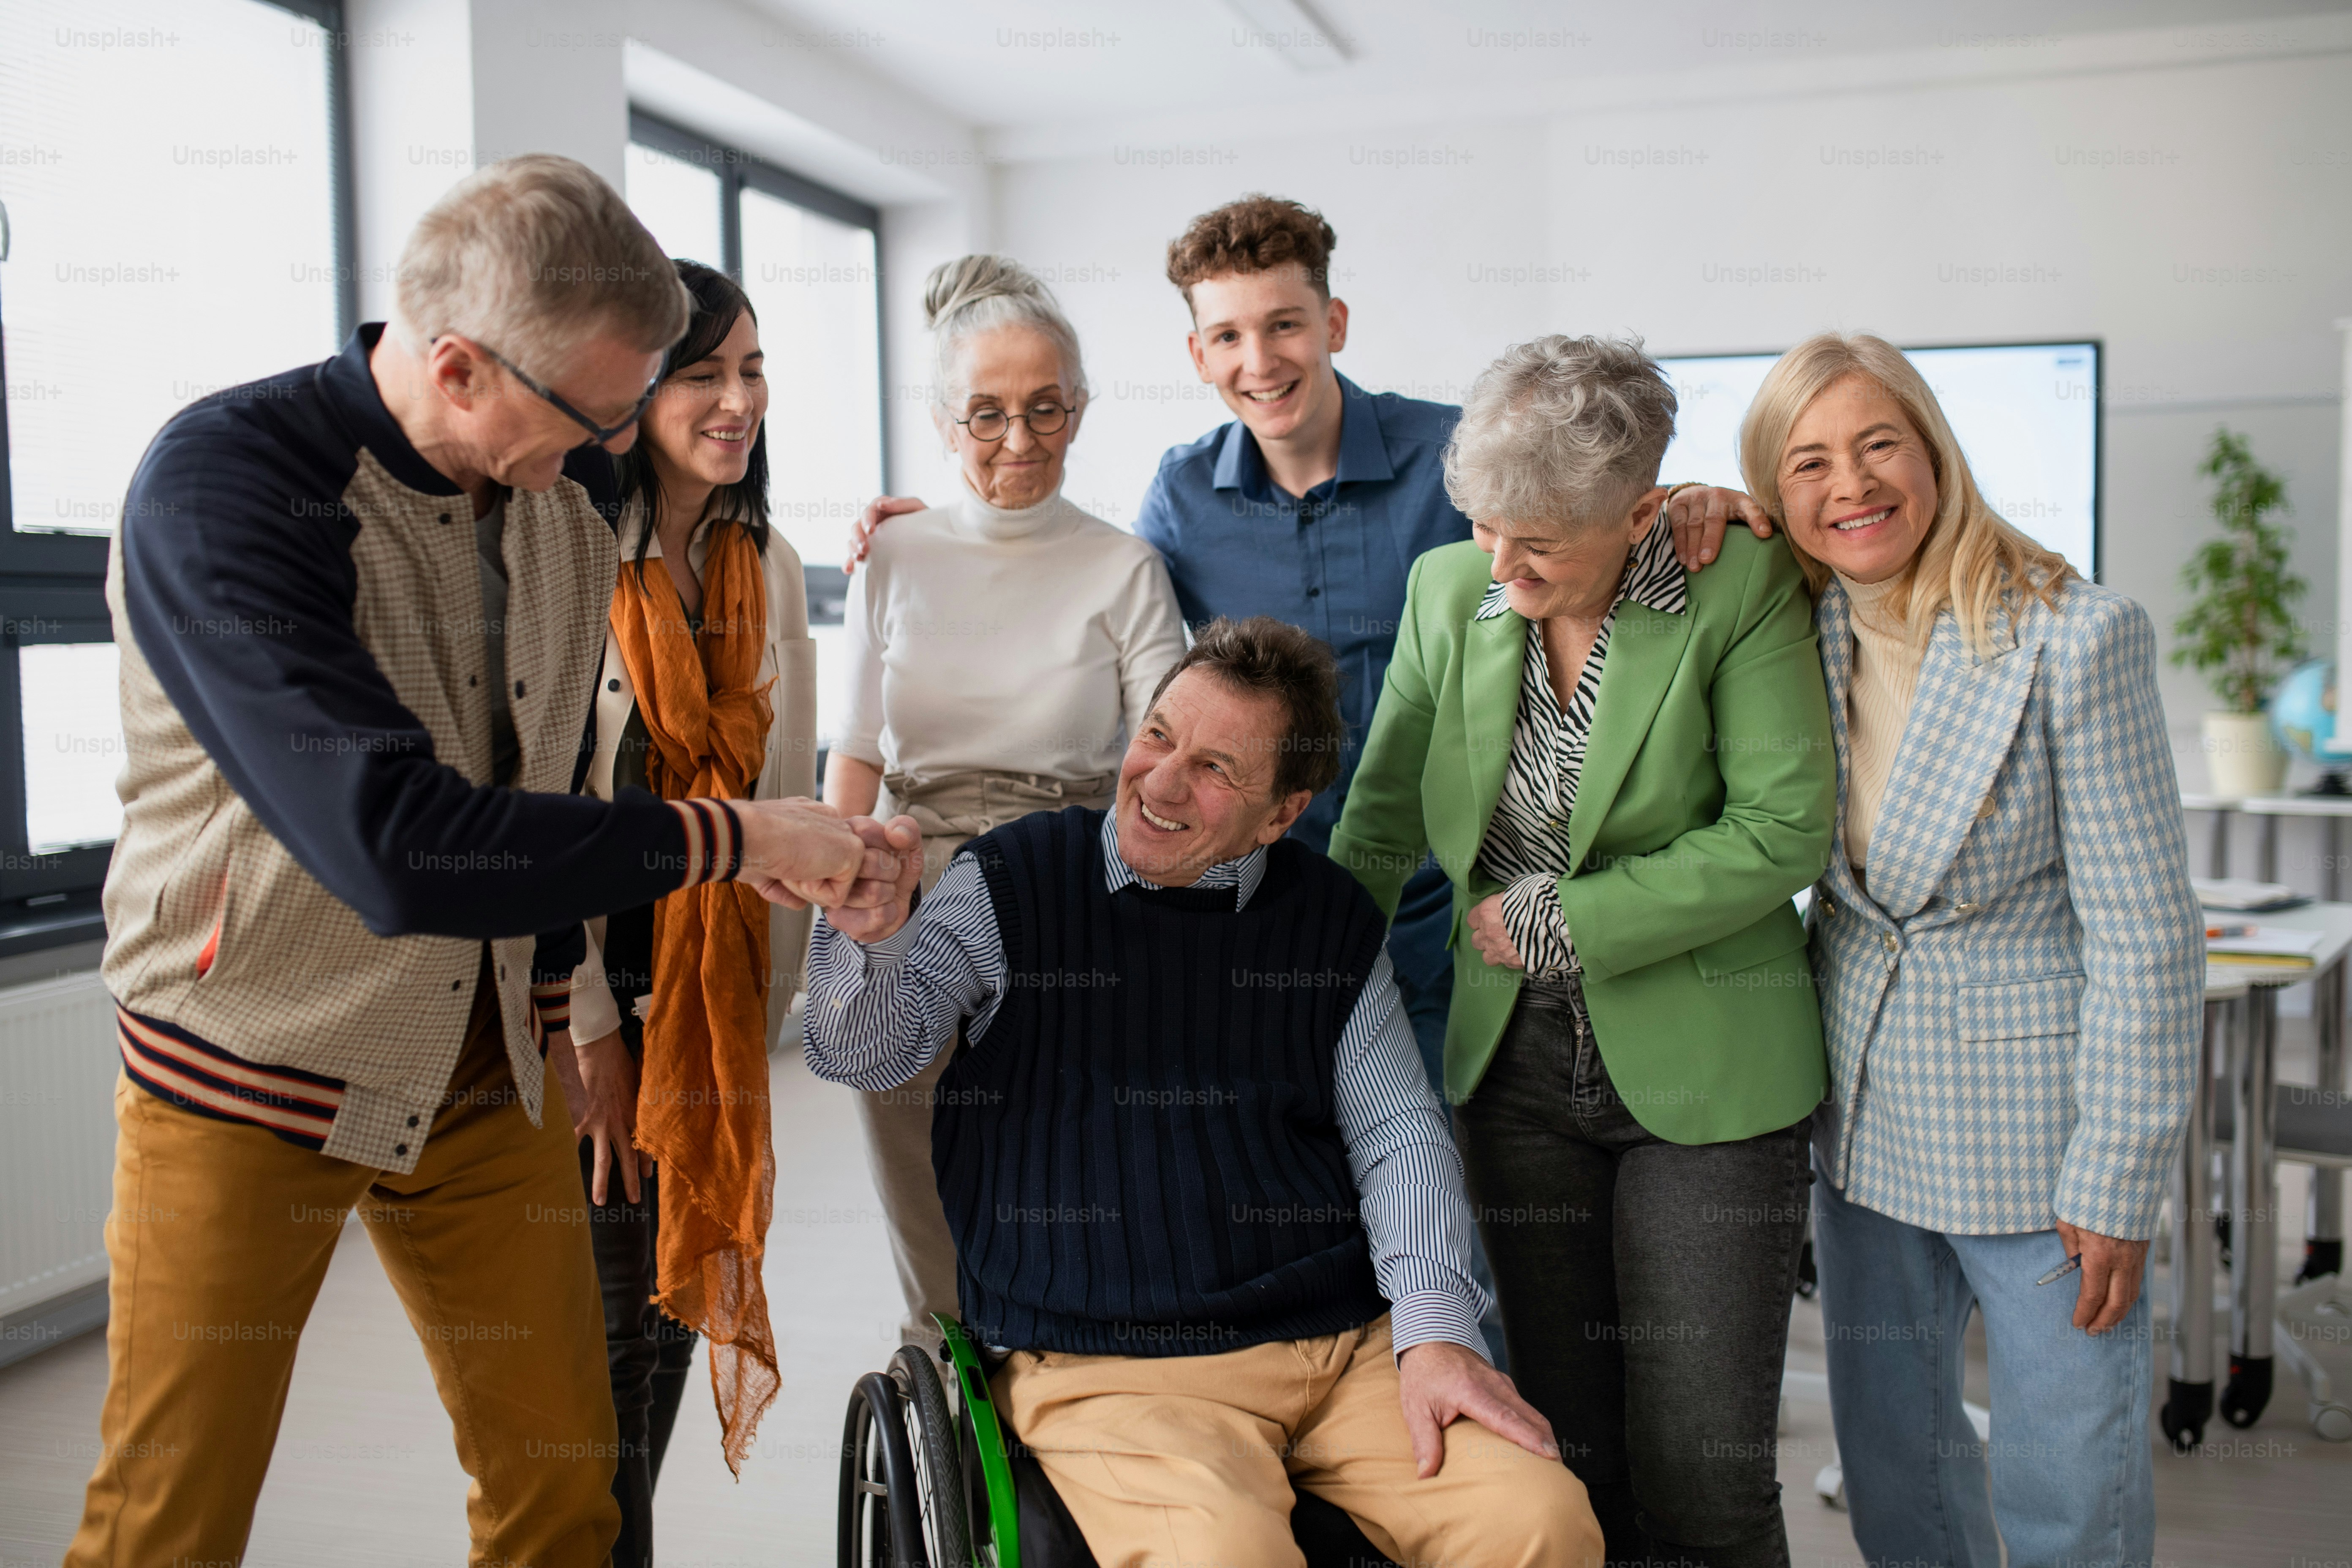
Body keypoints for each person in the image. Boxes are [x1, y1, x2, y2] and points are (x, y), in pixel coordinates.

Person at [71, 157, 897, 1568]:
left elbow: (544, 781)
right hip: (247, 1074)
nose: (615, 445)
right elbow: (400, 846)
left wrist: (564, 1011)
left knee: (564, 1496)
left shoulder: (559, 518)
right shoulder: (226, 494)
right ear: (457, 367)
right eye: (598, 411)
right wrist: (743, 834)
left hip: (485, 1081)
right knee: (170, 1521)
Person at [847, 196, 1768, 1362]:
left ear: (1333, 320)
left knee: (1450, 1220)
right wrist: (948, 530)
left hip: (1453, 919)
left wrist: (1693, 502)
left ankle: (1470, 1441)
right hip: (1263, 923)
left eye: (1282, 325)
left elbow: (1589, 519)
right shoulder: (1180, 498)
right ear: (1196, 354)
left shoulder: (1456, 459)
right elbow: (1076, 590)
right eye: (1226, 336)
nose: (1258, 360)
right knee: (1301, 1207)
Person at [806, 616, 1603, 1568]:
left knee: (1543, 1521)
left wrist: (1433, 1333)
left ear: (1283, 812)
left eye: (1217, 766)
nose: (1163, 780)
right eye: (1158, 736)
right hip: (1112, 1366)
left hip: (1342, 1348)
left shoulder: (1325, 919)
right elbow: (865, 1051)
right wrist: (870, 932)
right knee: (1226, 1555)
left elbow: (1400, 1134)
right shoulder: (1019, 879)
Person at [1330, 335, 1837, 1568]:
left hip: (1707, 1073)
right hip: (1514, 1070)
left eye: (1541, 542)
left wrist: (1570, 918)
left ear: (1641, 510)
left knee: (1701, 1480)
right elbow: (1382, 821)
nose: (1502, 567)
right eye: (1488, 528)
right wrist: (1291, 993)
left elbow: (1785, 831)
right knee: (1566, 1455)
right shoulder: (1454, 592)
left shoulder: (1734, 584)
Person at [1738, 332, 2200, 1568]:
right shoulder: (1795, 619)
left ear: (1933, 446)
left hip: (2040, 1146)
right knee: (1896, 1468)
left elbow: (2147, 935)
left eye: (1879, 443)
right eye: (1811, 463)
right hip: (1863, 1112)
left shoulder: (2076, 638)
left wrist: (2120, 1176)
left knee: (2066, 1480)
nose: (1852, 485)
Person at [822, 253, 1185, 1346]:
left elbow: (1168, 760)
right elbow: (853, 752)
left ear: (1079, 409)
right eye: (986, 415)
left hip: (1071, 875)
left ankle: (1067, 1373)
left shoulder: (1126, 568)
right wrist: (840, 894)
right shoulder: (893, 553)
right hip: (909, 867)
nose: (1019, 441)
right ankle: (946, 1360)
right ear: (942, 419)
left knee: (1070, 1162)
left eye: (1044, 411)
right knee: (922, 1164)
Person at [550, 260, 818, 1563]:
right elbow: (542, 817)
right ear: (635, 394)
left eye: (752, 368)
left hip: (710, 1023)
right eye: (702, 373)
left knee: (655, 1347)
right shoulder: (569, 559)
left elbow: (788, 808)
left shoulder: (767, 561)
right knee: (604, 1362)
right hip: (589, 1019)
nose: (737, 399)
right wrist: (585, 1028)